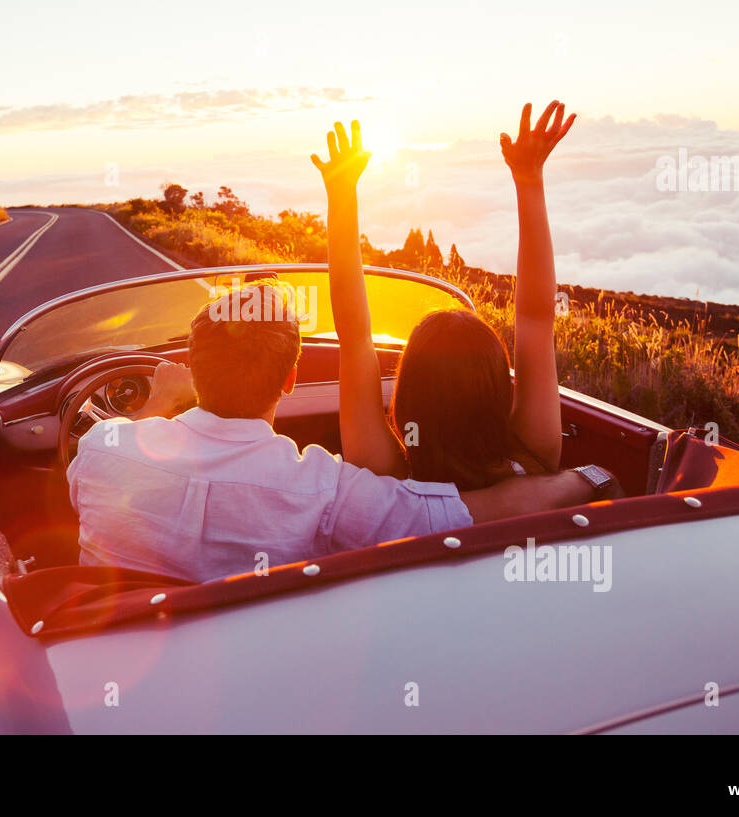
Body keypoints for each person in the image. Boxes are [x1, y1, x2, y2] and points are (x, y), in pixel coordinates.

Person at [67, 277, 613, 583]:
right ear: (291, 380)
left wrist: (159, 403)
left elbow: (125, 448)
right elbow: (460, 514)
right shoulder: (322, 490)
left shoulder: (97, 451)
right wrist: (584, 477)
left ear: (192, 368)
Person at [313, 103, 619, 495]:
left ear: (408, 398)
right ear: (499, 394)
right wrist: (529, 179)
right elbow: (535, 321)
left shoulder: (388, 477)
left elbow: (355, 335)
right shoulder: (535, 456)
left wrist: (341, 194)